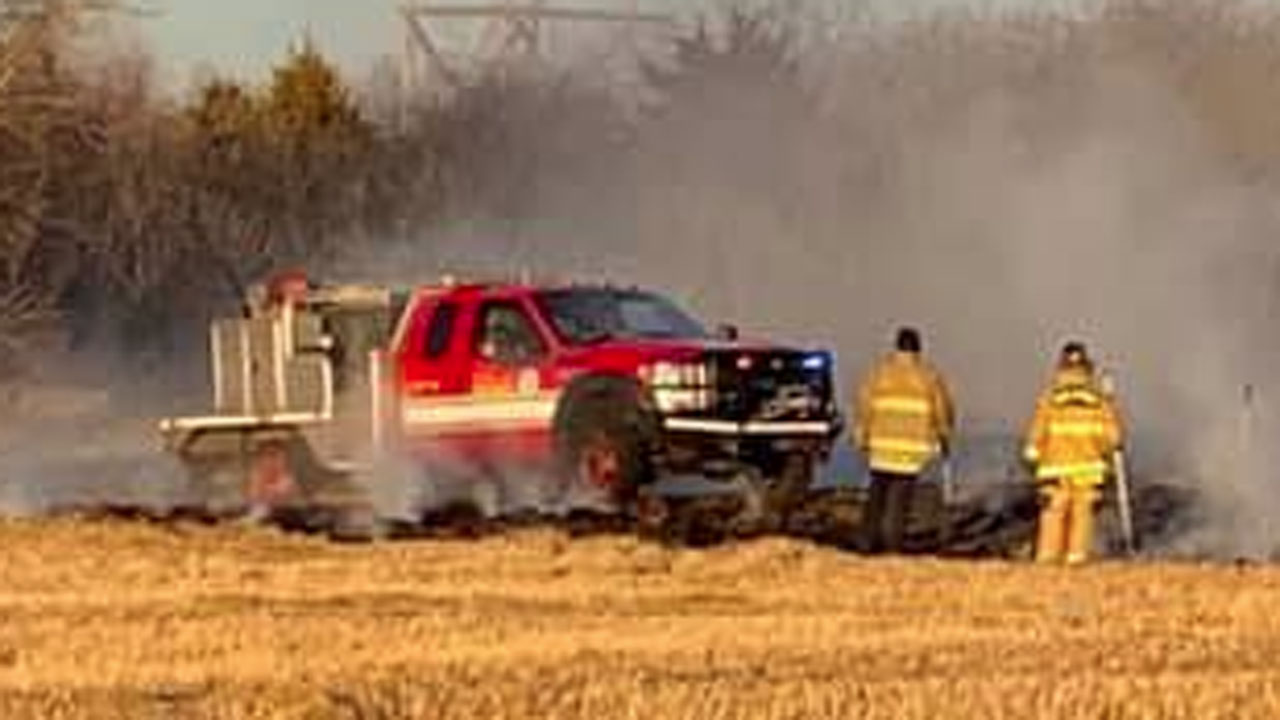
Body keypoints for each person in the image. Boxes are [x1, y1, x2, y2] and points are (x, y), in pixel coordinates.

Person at [854, 327, 955, 554]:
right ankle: (893, 544)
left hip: (880, 448)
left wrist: (862, 437)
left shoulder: (879, 373)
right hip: (911, 450)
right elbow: (943, 411)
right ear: (918, 349)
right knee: (900, 499)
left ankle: (865, 541)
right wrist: (944, 436)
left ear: (896, 346)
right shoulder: (929, 376)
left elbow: (864, 407)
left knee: (876, 495)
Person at [1023, 341, 1124, 565]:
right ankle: (1076, 559)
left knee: (1052, 516)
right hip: (1089, 470)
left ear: (1061, 367)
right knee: (1082, 517)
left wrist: (1032, 455)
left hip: (1054, 469)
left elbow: (1036, 433)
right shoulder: (1099, 400)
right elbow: (1114, 438)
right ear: (1087, 367)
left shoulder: (1049, 398)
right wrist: (1112, 403)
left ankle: (1048, 560)